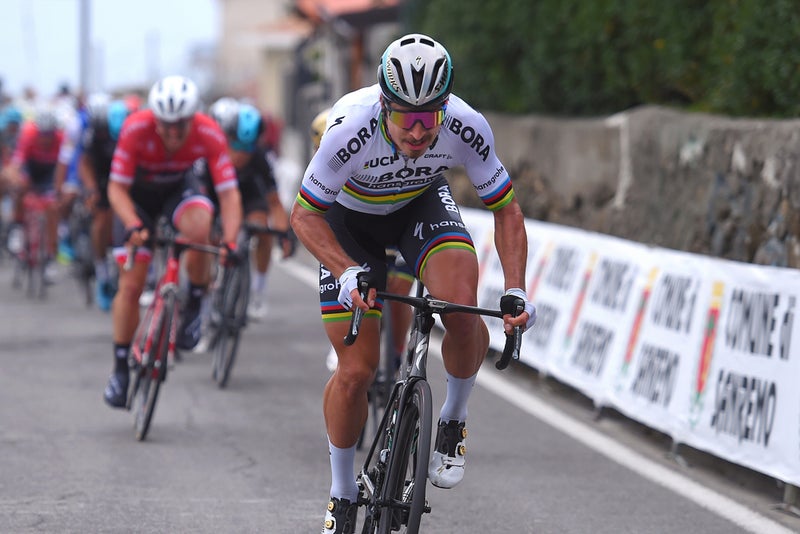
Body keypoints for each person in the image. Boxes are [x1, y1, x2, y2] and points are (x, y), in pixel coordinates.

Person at [290, 33, 536, 534]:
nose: (420, 131)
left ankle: (452, 419)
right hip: (348, 223)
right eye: (407, 118)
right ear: (385, 105)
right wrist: (345, 270)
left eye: (431, 117)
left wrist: (515, 288)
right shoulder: (349, 127)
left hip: (418, 206)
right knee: (356, 371)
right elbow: (304, 216)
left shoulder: (466, 124)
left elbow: (507, 210)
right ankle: (342, 491)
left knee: (461, 309)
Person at [102, 75, 242, 409]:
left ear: (194, 118)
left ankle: (194, 302)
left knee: (200, 226)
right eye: (167, 126)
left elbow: (228, 194)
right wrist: (132, 224)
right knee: (131, 285)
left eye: (182, 125)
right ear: (155, 119)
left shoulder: (209, 132)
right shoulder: (136, 128)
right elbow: (116, 188)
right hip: (137, 199)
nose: (174, 134)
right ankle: (120, 368)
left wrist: (231, 241)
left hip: (178, 190)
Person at [309, 107, 415, 374]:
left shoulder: (364, 148)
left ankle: (395, 357)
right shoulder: (323, 169)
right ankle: (346, 340)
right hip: (353, 230)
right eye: (319, 147)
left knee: (399, 290)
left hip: (394, 222)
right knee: (353, 287)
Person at [207, 97, 294, 319]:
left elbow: (275, 203)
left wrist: (284, 234)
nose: (241, 155)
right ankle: (209, 284)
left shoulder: (261, 158)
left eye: (248, 148)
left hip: (250, 200)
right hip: (217, 199)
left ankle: (258, 289)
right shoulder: (211, 151)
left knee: (263, 229)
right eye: (236, 145)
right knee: (206, 232)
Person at [77, 99, 131, 310]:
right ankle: (102, 271)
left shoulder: (129, 131)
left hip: (125, 178)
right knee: (101, 219)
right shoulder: (93, 135)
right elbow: (85, 163)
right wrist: (91, 189)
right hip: (101, 178)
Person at [1, 106, 65, 264]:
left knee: (54, 207)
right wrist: (15, 180)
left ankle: (51, 252)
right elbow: (17, 164)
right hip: (31, 168)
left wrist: (60, 189)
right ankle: (17, 226)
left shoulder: (60, 138)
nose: (46, 138)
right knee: (20, 187)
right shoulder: (29, 135)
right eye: (43, 134)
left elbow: (64, 167)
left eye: (49, 134)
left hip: (50, 172)